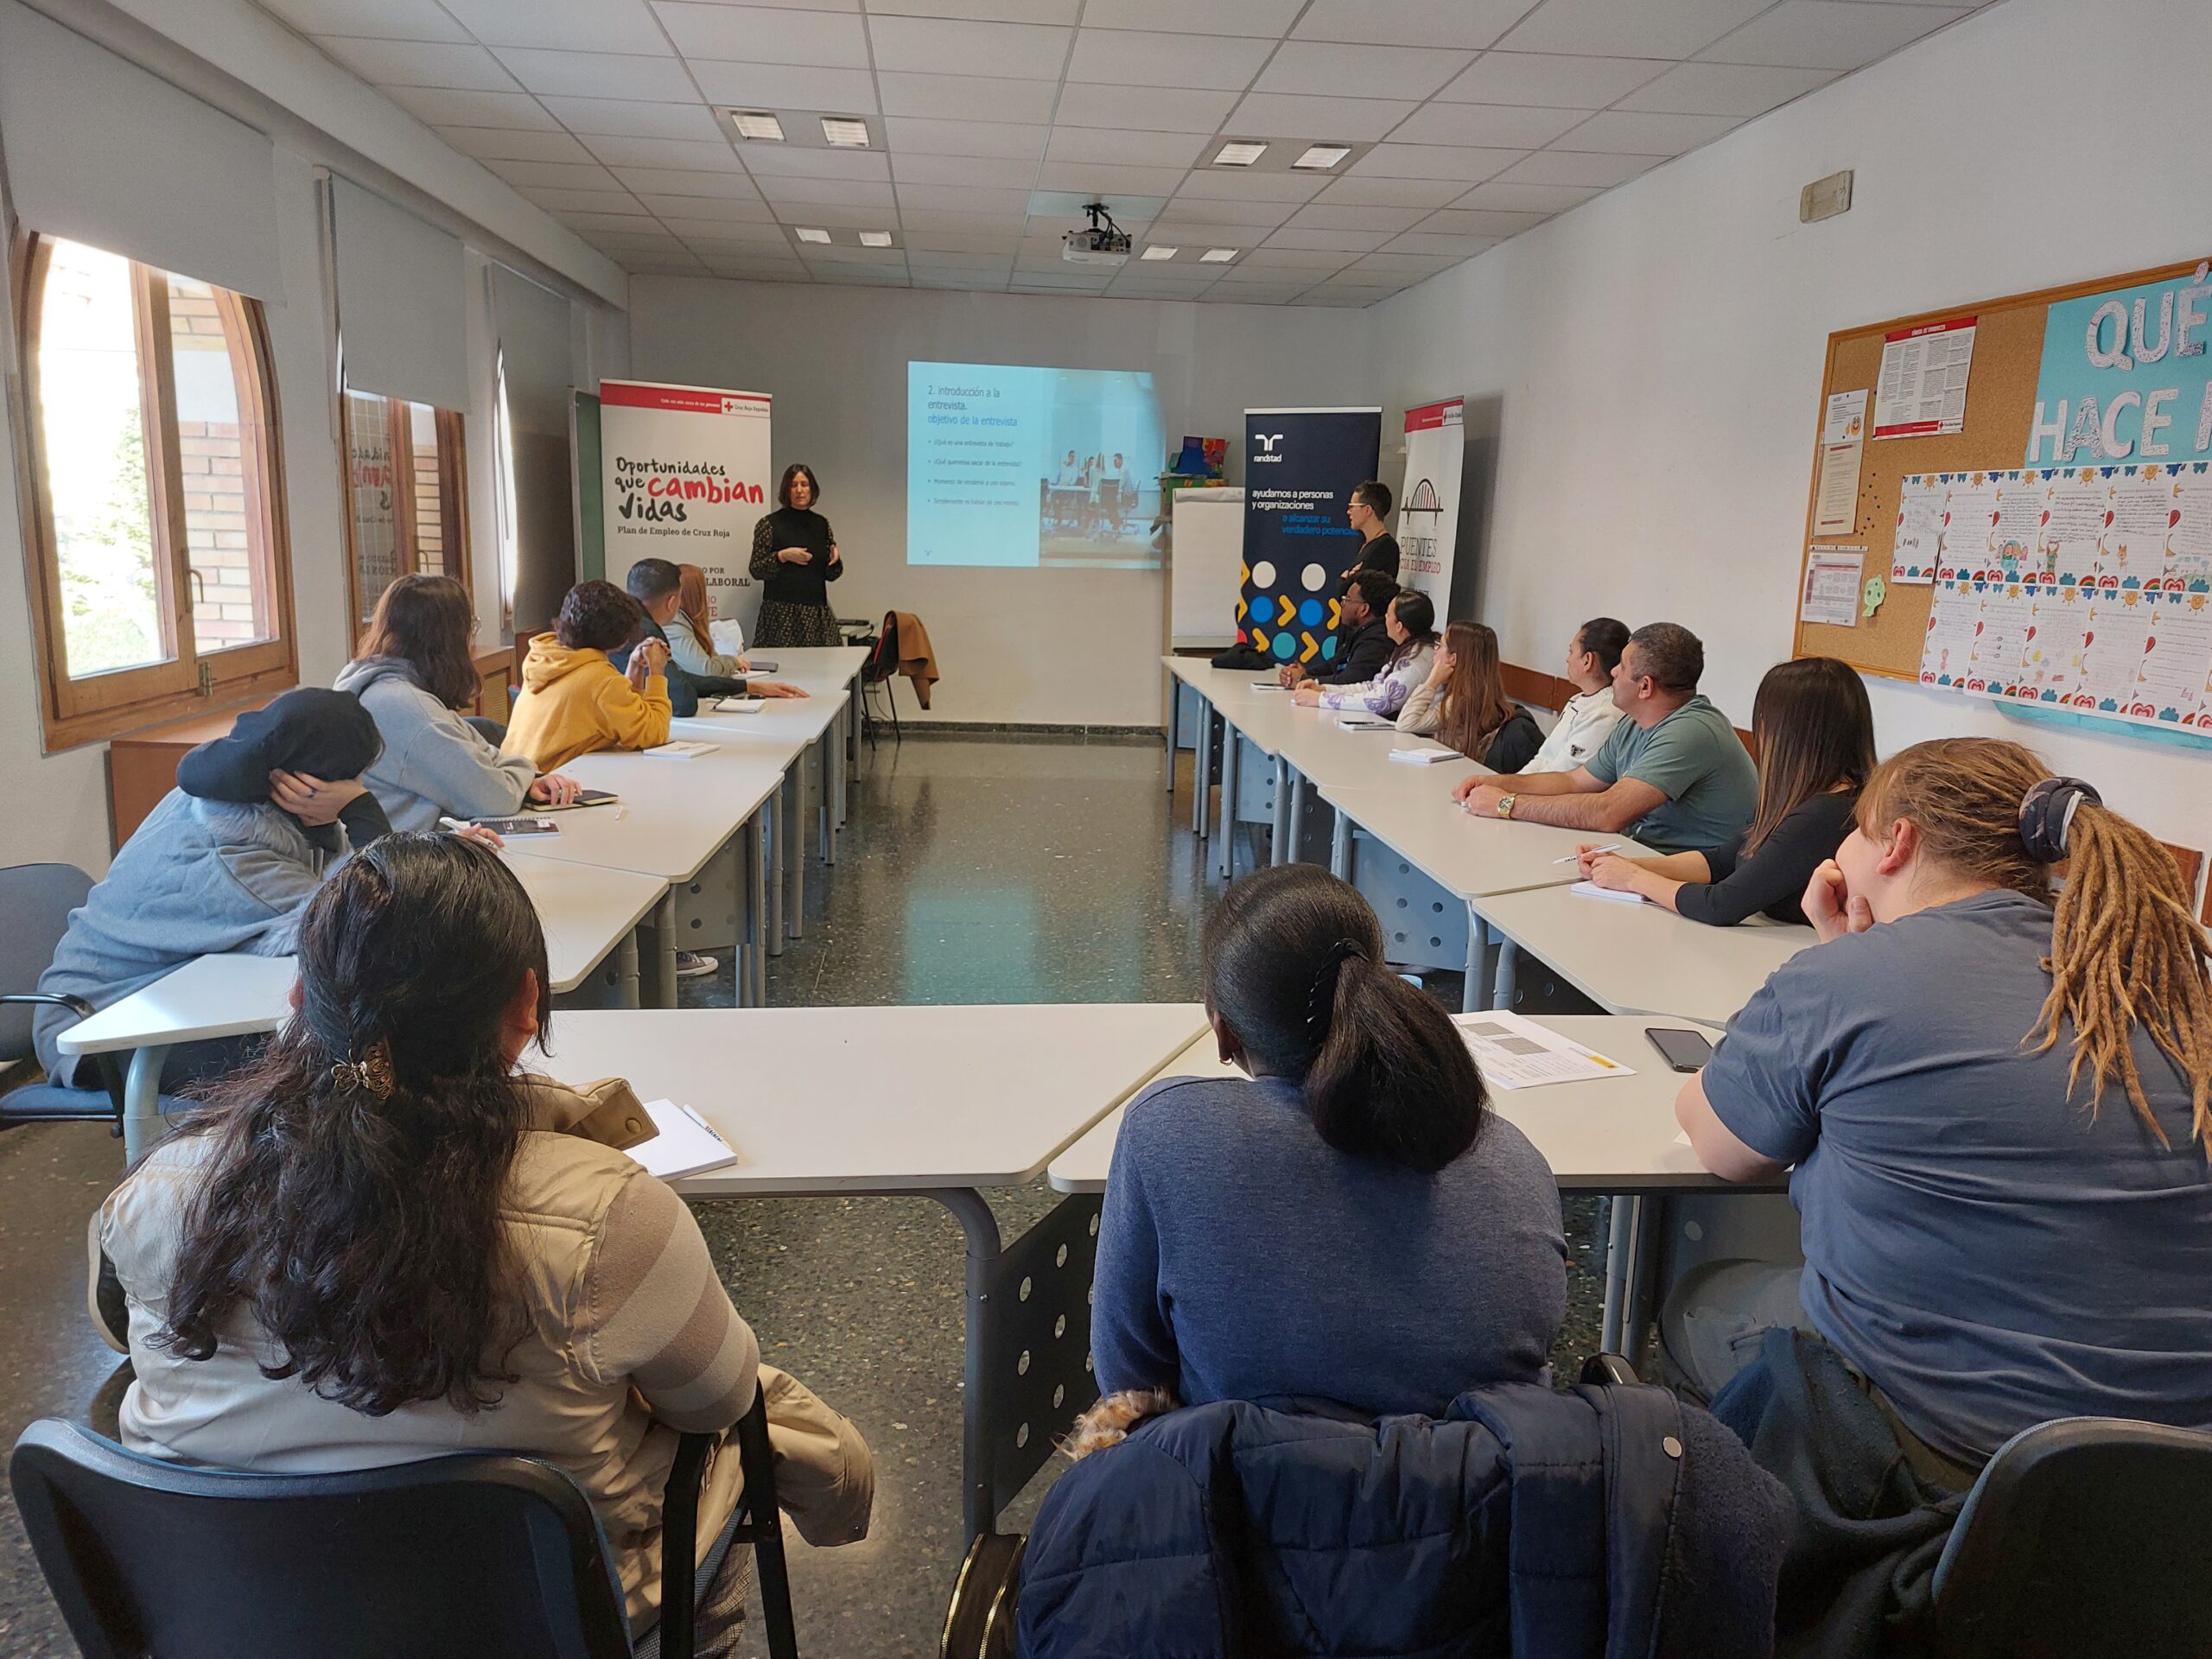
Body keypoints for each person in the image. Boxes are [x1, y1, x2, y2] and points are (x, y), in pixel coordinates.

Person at [90, 834, 873, 1655]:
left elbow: (123, 1330)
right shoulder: (611, 1217)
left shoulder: (163, 1189)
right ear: (527, 1005)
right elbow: (717, 1402)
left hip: (232, 1615)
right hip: (544, 1625)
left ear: (299, 996)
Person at [1669, 739, 2212, 1485]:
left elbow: (1723, 1144)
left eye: (1856, 828)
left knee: (1705, 1295)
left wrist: (1837, 962)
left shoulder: (1843, 982)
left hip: (1947, 1455)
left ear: (1896, 841)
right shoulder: (2156, 980)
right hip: (2174, 1475)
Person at [1091, 865, 1567, 1417]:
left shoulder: (1168, 1131)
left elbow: (1130, 1388)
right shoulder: (1509, 1154)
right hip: (1480, 1496)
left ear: (1223, 1032)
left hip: (1238, 1492)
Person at [32, 689, 390, 1094]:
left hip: (175, 997)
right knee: (329, 1061)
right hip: (101, 1023)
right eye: (353, 778)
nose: (358, 786)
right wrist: (360, 809)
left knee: (340, 1040)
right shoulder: (231, 852)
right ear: (300, 784)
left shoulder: (249, 801)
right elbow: (356, 918)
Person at [1578, 657, 1874, 926]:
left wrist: (1633, 878)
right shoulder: (1810, 797)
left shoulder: (1824, 815)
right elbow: (1721, 861)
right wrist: (1622, 865)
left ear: (1786, 735)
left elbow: (1721, 905)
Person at [1452, 622, 1757, 858]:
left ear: (1645, 686)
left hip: (1690, 882)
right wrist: (1496, 783)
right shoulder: (1635, 723)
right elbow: (1573, 782)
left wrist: (1508, 804)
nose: (1612, 672)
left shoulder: (1691, 731)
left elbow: (1608, 813)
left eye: (1622, 667)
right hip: (1643, 862)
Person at [336, 574, 582, 832]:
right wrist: (524, 776)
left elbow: (484, 757)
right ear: (450, 638)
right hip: (401, 862)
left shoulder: (386, 687)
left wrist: (526, 781)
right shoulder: (404, 707)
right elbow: (495, 798)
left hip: (408, 850)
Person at [502, 580, 672, 772]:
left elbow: (623, 714)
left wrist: (635, 666)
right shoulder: (600, 679)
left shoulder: (546, 656)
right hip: (550, 787)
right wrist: (657, 670)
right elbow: (654, 733)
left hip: (516, 779)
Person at [615, 558, 807, 715]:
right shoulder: (646, 632)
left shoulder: (626, 620)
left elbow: (681, 678)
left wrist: (750, 686)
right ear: (672, 602)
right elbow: (683, 701)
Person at [1397, 620, 1542, 772]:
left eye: (1440, 645)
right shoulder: (1481, 690)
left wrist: (1431, 682)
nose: (1435, 649)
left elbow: (1406, 723)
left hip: (1458, 776)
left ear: (1453, 658)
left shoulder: (1464, 699)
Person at [1293, 588, 1437, 719]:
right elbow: (1373, 687)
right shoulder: (1409, 650)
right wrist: (1323, 688)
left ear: (1399, 626)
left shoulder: (1416, 661)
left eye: (1388, 615)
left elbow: (1381, 701)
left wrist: (1320, 699)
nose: (1384, 618)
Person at [748, 462, 845, 648]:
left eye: (804, 484)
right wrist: (782, 556)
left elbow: (832, 575)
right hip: (781, 614)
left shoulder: (822, 524)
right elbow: (755, 570)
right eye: (794, 485)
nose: (800, 490)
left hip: (816, 614)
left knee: (823, 671)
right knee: (785, 671)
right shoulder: (768, 524)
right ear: (786, 490)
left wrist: (835, 561)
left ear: (812, 489)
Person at [1525, 617, 1630, 774]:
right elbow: (1543, 758)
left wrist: (1511, 793)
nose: (1568, 659)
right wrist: (1509, 784)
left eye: (1571, 651)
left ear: (1587, 661)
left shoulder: (1605, 715)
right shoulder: (1578, 699)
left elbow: (1561, 776)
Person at [1279, 570, 1397, 689]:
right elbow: (1334, 665)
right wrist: (1303, 674)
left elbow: (1349, 681)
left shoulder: (1376, 640)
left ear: (1363, 610)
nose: (1342, 604)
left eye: (1348, 599)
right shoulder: (1361, 632)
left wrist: (1303, 680)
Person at [671, 563, 747, 677]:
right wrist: (734, 662)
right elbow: (706, 670)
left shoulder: (684, 621)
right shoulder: (675, 625)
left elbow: (709, 659)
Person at [1338, 480, 1400, 582]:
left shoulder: (1385, 547)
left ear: (1367, 510)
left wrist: (1344, 580)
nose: (1348, 511)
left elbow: (1351, 588)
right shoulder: (1367, 544)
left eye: (1352, 506)